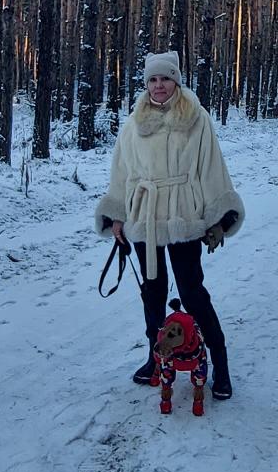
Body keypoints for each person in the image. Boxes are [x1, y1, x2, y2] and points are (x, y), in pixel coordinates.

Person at [95, 51, 244, 399]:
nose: (159, 86)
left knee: (193, 293)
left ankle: (220, 365)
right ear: (146, 83)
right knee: (153, 295)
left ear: (176, 80)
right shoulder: (134, 122)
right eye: (153, 79)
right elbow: (122, 173)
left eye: (165, 79)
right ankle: (155, 357)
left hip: (184, 217)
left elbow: (211, 169)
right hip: (144, 217)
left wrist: (219, 219)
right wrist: (117, 215)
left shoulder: (196, 117)